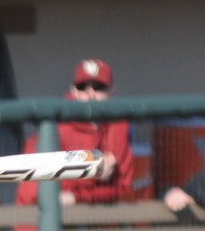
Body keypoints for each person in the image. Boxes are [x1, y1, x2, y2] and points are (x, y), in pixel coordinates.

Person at [14, 59, 131, 207]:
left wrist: (77, 195)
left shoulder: (118, 125)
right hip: (37, 217)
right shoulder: (56, 124)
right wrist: (91, 172)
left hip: (94, 217)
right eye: (83, 87)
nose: (90, 94)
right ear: (73, 90)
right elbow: (31, 181)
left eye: (98, 87)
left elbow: (121, 188)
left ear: (111, 90)